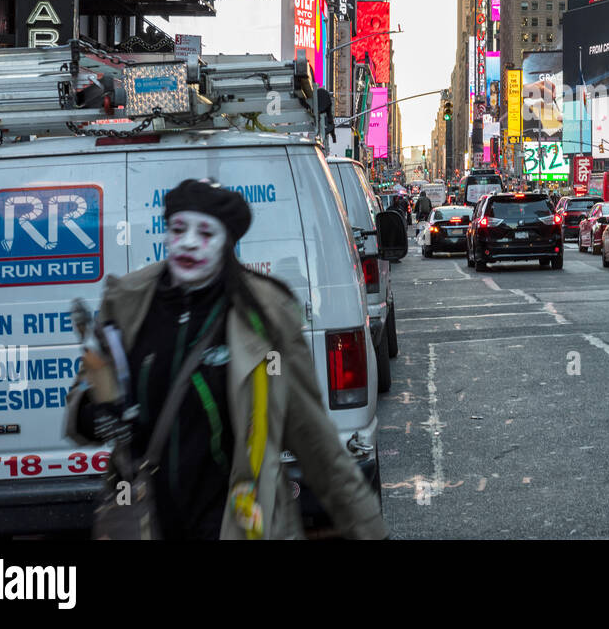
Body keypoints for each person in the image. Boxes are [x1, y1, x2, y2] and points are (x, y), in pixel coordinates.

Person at [65, 179, 387, 540]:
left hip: (238, 524)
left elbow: (314, 440)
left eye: (205, 232)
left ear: (228, 244)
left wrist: (368, 530)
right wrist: (98, 412)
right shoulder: (128, 301)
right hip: (144, 520)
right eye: (178, 228)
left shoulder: (266, 313)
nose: (188, 242)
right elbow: (82, 407)